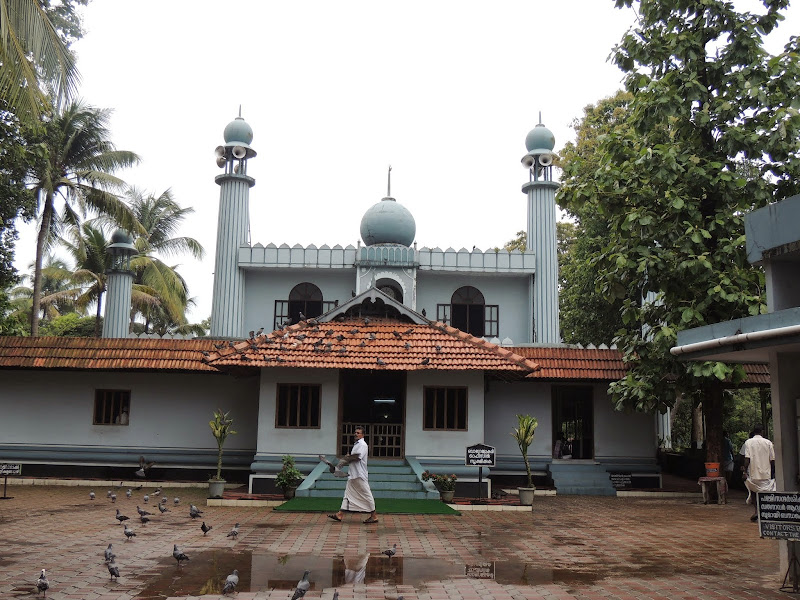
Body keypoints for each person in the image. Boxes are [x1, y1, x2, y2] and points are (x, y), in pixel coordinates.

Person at [328, 426, 378, 524]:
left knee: (366, 494)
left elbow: (357, 457)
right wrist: (346, 459)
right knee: (347, 494)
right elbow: (352, 457)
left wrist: (343, 461)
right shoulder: (357, 444)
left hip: (359, 474)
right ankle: (340, 514)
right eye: (355, 432)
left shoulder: (362, 444)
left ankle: (374, 516)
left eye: (358, 433)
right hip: (353, 474)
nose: (356, 434)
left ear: (363, 435)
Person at [741, 424, 776, 522]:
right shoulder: (768, 443)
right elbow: (772, 460)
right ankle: (766, 511)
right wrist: (774, 473)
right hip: (766, 473)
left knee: (753, 492)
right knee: (767, 493)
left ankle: (756, 511)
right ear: (762, 432)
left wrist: (744, 472)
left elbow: (747, 459)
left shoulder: (748, 442)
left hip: (753, 473)